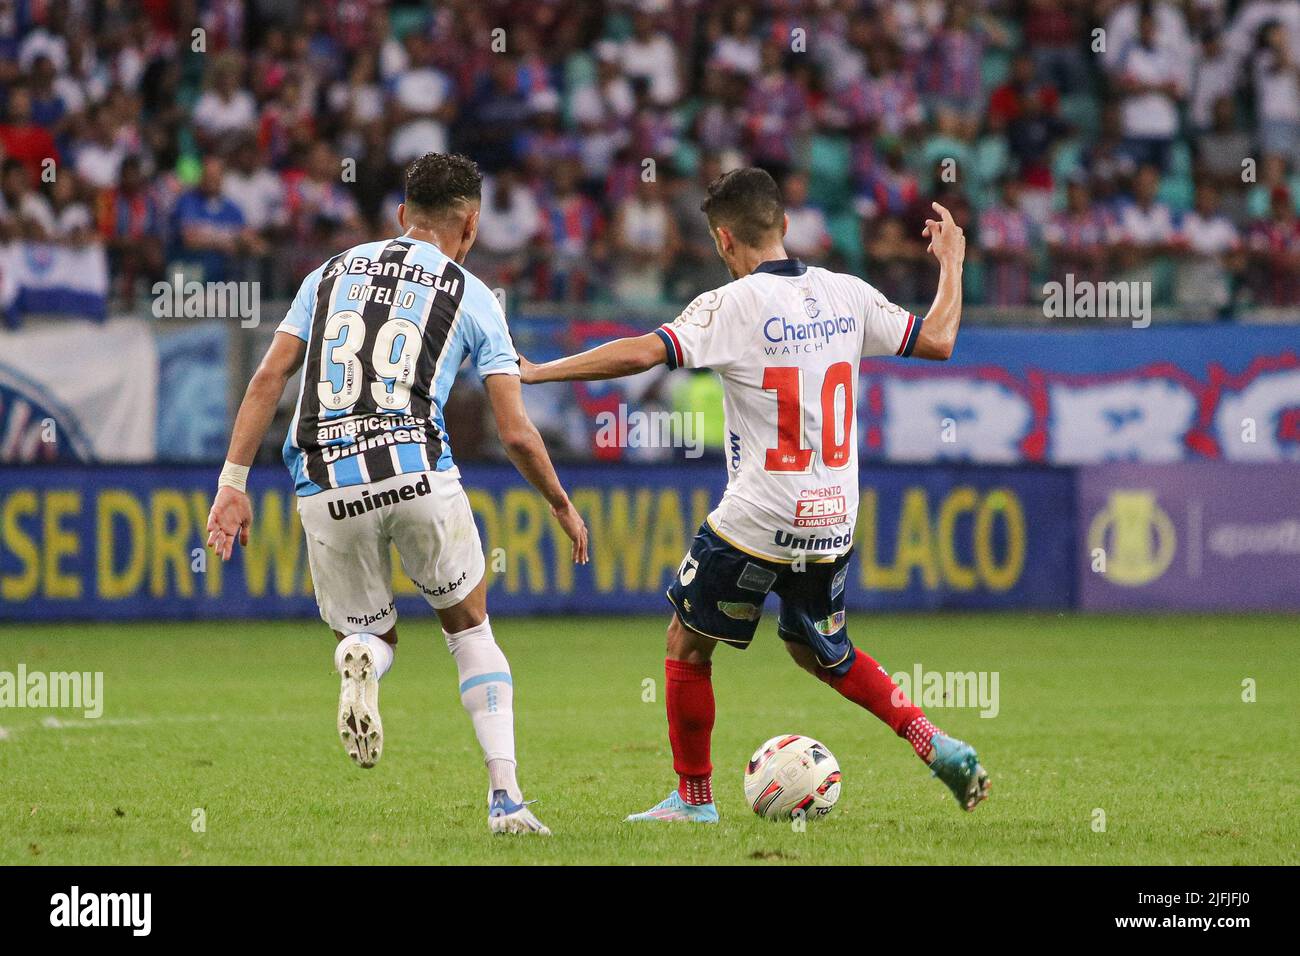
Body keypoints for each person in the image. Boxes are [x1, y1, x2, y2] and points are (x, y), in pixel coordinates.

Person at [520, 168, 989, 823]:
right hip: (832, 521)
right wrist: (952, 264)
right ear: (784, 227)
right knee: (818, 647)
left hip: (760, 516)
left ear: (722, 240)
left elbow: (641, 353)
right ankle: (932, 740)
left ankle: (695, 801)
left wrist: (544, 370)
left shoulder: (731, 305)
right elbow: (937, 339)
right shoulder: (846, 293)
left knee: (686, 642)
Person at [205, 152, 588, 835]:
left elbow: (268, 379)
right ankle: (506, 798)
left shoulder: (328, 273)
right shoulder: (474, 296)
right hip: (418, 470)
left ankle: (364, 661)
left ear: (403, 217)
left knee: (369, 633)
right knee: (470, 629)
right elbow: (517, 433)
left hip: (323, 478)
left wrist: (232, 484)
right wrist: (559, 502)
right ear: (469, 227)